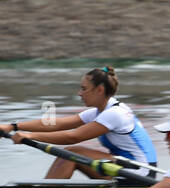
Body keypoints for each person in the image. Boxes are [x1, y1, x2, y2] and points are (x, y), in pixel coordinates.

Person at [5, 66, 156, 180]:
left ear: (99, 90)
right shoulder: (100, 111)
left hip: (140, 172)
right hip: (126, 167)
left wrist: (30, 136)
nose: (79, 93)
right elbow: (56, 124)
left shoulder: (115, 114)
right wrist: (13, 126)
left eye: (84, 89)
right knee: (72, 152)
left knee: (73, 153)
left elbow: (73, 137)